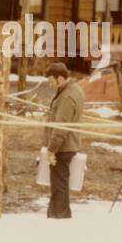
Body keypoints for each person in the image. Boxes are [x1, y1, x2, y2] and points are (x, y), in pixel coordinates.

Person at [43, 62, 84, 219]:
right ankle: (56, 214)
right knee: (59, 183)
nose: (49, 83)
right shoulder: (72, 89)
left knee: (59, 185)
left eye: (51, 80)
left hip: (63, 147)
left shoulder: (67, 96)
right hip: (67, 144)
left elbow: (61, 128)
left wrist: (51, 149)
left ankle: (60, 216)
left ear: (59, 78)